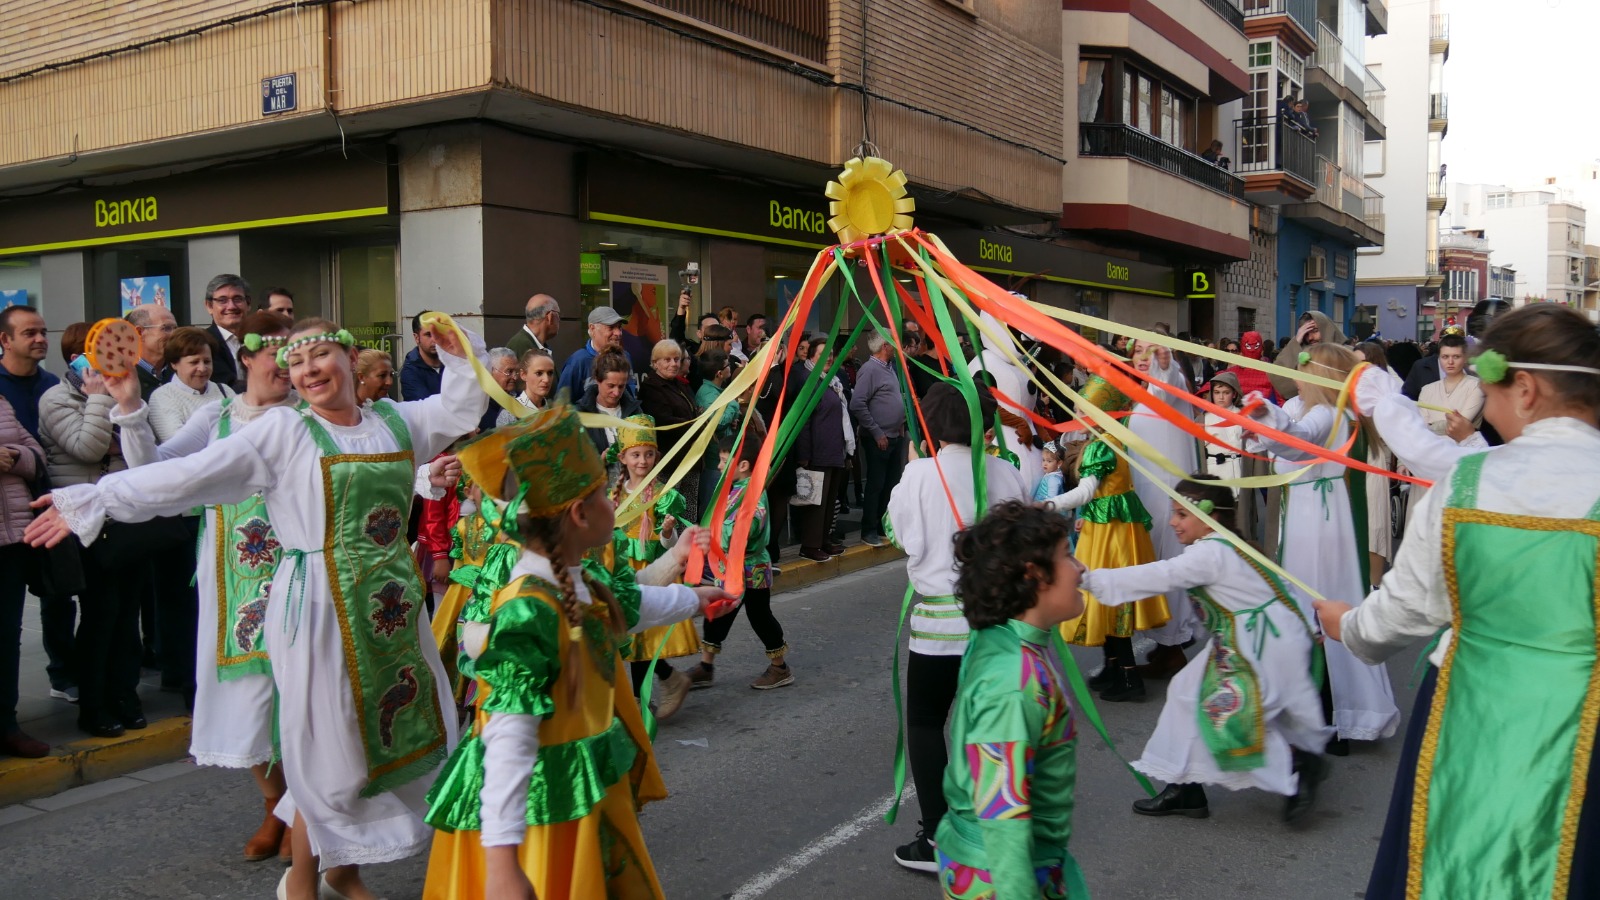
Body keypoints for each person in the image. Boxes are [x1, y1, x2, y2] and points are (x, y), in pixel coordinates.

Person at [26, 315, 489, 900]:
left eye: (320, 355)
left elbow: (463, 405)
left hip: (390, 612)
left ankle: (339, 871)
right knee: (327, 747)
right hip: (317, 609)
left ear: (351, 359)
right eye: (296, 362)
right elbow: (187, 476)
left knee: (383, 736)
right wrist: (96, 498)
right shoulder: (284, 432)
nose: (308, 370)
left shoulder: (398, 422)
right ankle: (305, 881)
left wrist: (456, 351)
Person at [1316, 304, 1600, 899]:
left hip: (1467, 711)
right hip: (1586, 728)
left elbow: (1405, 610)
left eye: (1489, 391)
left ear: (1526, 390)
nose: (1484, 407)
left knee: (1446, 858)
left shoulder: (1470, 484)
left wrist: (1351, 626)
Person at [420, 403, 733, 900]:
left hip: (580, 787)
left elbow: (626, 607)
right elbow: (507, 736)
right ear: (580, 515)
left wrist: (695, 599)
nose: (614, 501)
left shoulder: (577, 577)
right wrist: (502, 865)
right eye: (603, 494)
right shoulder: (529, 612)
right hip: (542, 808)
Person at [114, 310, 297, 859]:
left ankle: (304, 811)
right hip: (233, 576)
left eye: (297, 354)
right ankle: (274, 805)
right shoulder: (217, 415)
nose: (289, 364)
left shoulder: (311, 416)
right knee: (249, 697)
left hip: (298, 571)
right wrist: (130, 407)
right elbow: (152, 471)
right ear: (247, 356)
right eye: (277, 352)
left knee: (300, 694)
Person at [1080, 476, 1331, 822]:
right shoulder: (1229, 544)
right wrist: (1310, 626)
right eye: (1174, 513)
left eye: (1182, 514)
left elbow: (1160, 575)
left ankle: (1297, 768)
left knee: (1237, 716)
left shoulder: (1210, 553)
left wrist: (1088, 579)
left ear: (1210, 516)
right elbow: (1283, 585)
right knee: (1186, 694)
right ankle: (1187, 787)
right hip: (1259, 637)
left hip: (1261, 646)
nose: (1173, 522)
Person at [885, 382, 1031, 873]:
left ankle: (937, 836)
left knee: (927, 723)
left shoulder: (917, 474)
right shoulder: (1006, 471)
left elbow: (898, 534)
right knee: (993, 729)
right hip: (1000, 627)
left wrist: (913, 469)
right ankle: (1000, 830)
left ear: (931, 426)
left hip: (939, 630)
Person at [1246, 344, 1400, 752]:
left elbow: (1296, 443)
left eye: (1303, 372)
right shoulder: (1334, 412)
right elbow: (1289, 446)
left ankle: (1326, 716)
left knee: (1311, 608)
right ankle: (1334, 712)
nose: (1296, 380)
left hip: (1316, 523)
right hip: (1321, 518)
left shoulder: (1327, 413)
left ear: (1319, 377)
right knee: (1325, 606)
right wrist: (1264, 427)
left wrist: (1265, 413)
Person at [936, 500, 1088, 899]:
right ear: (1035, 574)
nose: (1080, 568)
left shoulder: (1000, 639)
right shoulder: (1015, 681)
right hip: (1000, 878)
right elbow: (1002, 813)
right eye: (1068, 555)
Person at [39, 322, 144, 738]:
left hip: (124, 517)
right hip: (84, 522)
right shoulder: (57, 398)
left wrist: (119, 405)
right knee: (101, 614)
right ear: (77, 358)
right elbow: (88, 447)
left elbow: (140, 447)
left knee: (128, 614)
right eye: (98, 352)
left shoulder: (120, 387)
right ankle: (94, 704)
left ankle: (125, 694)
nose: (108, 360)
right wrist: (100, 400)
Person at [1041, 375, 1169, 702]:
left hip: (1110, 534)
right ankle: (1114, 666)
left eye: (1083, 409)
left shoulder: (1101, 446)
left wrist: (1049, 504)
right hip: (1111, 528)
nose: (1078, 415)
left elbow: (1086, 491)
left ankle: (1128, 676)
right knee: (1106, 595)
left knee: (1110, 595)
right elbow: (1103, 492)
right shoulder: (1110, 439)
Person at [685, 417, 793, 691]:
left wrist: (718, 535)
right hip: (729, 569)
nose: (720, 466)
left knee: (760, 616)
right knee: (718, 613)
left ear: (743, 465)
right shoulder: (733, 489)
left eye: (724, 461)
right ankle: (706, 666)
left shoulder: (753, 494)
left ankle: (780, 668)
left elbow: (750, 528)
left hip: (752, 569)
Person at [610, 415, 698, 720]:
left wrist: (667, 531)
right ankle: (666, 682)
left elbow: (669, 546)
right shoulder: (613, 495)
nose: (642, 461)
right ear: (623, 458)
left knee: (642, 637)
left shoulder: (663, 495)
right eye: (635, 455)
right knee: (632, 636)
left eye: (648, 454)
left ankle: (642, 698)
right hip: (623, 570)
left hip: (652, 570)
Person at [1126, 337, 1201, 679]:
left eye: (1151, 350)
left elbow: (1166, 383)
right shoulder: (1143, 392)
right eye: (1137, 350)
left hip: (1166, 497)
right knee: (1155, 564)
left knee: (1166, 564)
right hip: (1148, 496)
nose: (1144, 356)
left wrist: (1165, 364)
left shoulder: (1169, 384)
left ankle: (1173, 647)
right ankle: (1165, 641)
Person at [0, 396, 47, 758]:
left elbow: (37, 454)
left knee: (6, 637)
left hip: (11, 538)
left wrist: (14, 456)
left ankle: (7, 725)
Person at [793, 336, 850, 562]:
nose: (828, 358)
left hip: (835, 451)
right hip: (817, 452)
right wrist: (804, 455)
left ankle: (824, 540)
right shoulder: (808, 380)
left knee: (829, 500)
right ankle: (810, 545)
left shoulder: (832, 380)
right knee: (816, 502)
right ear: (811, 357)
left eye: (831, 355)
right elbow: (804, 420)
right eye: (822, 355)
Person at [849, 329, 908, 547]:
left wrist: (899, 424)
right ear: (885, 346)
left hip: (893, 435)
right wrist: (877, 432)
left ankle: (883, 526)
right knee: (876, 484)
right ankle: (869, 529)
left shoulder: (889, 367)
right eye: (893, 342)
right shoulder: (870, 369)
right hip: (878, 438)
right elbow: (857, 404)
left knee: (890, 484)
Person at [638, 339, 700, 512]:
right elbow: (662, 421)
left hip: (690, 460)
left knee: (689, 512)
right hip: (669, 463)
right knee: (670, 514)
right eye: (667, 359)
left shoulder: (680, 384)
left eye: (677, 359)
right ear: (655, 363)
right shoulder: (651, 388)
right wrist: (696, 424)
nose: (673, 364)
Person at [148, 326, 234, 442]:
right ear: (174, 364)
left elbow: (245, 431)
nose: (202, 368)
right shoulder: (163, 397)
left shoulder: (225, 391)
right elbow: (178, 444)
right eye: (194, 362)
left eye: (207, 361)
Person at [0, 306, 59, 441]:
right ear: (5, 340)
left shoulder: (53, 384)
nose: (40, 339)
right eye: (30, 333)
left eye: (43, 333)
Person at [577, 350, 642, 464]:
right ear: (597, 380)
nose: (616, 393)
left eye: (621, 386)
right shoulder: (580, 415)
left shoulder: (635, 411)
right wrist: (599, 463)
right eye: (611, 386)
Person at [1418, 332, 1483, 435]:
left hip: (1464, 444)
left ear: (1465, 358)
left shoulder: (1477, 386)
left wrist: (1430, 427)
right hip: (1429, 443)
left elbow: (1459, 424)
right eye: (1445, 357)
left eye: (1456, 357)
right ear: (1439, 358)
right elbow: (1421, 427)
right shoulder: (1427, 389)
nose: (1450, 362)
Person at [558, 306, 627, 401]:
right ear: (592, 328)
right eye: (611, 327)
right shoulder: (578, 362)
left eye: (619, 327)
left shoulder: (625, 357)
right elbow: (562, 404)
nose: (618, 333)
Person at [1269, 311, 1342, 401]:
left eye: (1315, 331)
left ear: (1326, 329)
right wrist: (1296, 342)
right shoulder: (1303, 354)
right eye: (1306, 333)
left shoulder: (1345, 353)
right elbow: (1279, 380)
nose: (1310, 337)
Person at [200, 274, 251, 393]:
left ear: (248, 304)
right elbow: (226, 386)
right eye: (222, 300)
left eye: (237, 299)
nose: (231, 306)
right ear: (209, 306)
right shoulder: (203, 342)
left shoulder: (261, 338)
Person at [126, 305, 176, 400]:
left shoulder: (180, 371)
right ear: (139, 332)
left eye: (175, 328)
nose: (174, 335)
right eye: (166, 328)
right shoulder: (122, 378)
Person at [497, 350, 556, 426]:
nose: (546, 379)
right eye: (539, 373)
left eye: (550, 373)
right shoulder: (509, 414)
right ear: (523, 375)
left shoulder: (554, 411)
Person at [402, 310, 445, 401]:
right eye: (428, 335)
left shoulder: (453, 362)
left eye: (438, 333)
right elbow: (423, 405)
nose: (435, 339)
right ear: (417, 338)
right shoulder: (410, 371)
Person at [504, 293, 559, 360]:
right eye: (558, 314)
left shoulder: (527, 344)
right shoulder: (522, 346)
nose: (559, 319)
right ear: (550, 317)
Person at [481, 347, 520, 433]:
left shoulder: (522, 399)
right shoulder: (478, 405)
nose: (515, 377)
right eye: (509, 371)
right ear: (490, 371)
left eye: (516, 372)